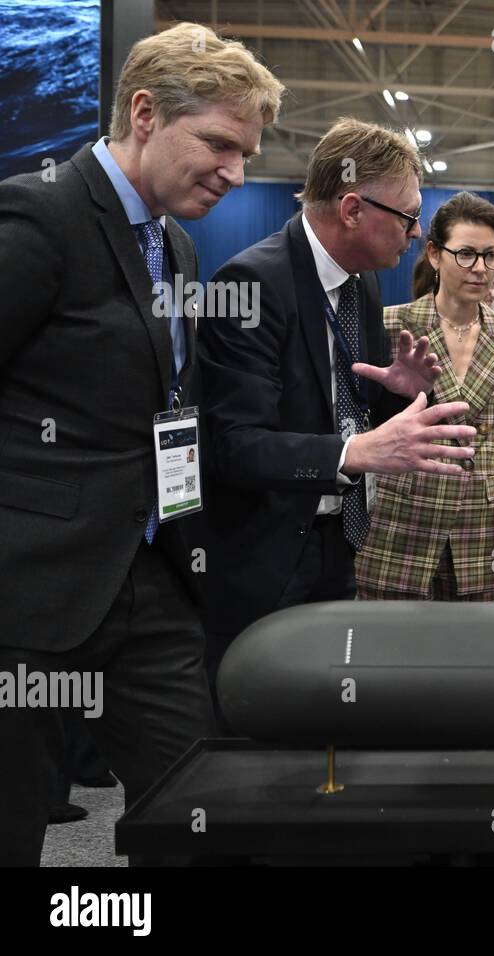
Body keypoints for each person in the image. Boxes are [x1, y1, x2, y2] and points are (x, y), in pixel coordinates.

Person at [0, 22, 283, 865]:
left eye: (246, 153)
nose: (235, 173)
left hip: (155, 578)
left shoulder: (180, 247)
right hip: (31, 591)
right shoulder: (40, 213)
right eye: (220, 145)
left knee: (189, 812)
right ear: (147, 112)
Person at [198, 119, 477, 683]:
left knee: (326, 715)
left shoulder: (361, 282)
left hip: (341, 542)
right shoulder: (251, 285)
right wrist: (351, 455)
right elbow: (235, 448)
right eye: (407, 216)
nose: (418, 232)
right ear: (352, 209)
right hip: (268, 555)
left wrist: (397, 396)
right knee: (258, 728)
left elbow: (349, 414)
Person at [355, 192, 494, 601]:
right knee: (390, 649)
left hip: (480, 524)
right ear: (434, 254)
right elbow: (369, 420)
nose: (480, 268)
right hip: (402, 517)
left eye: (492, 256)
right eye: (466, 254)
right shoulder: (390, 324)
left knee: (474, 653)